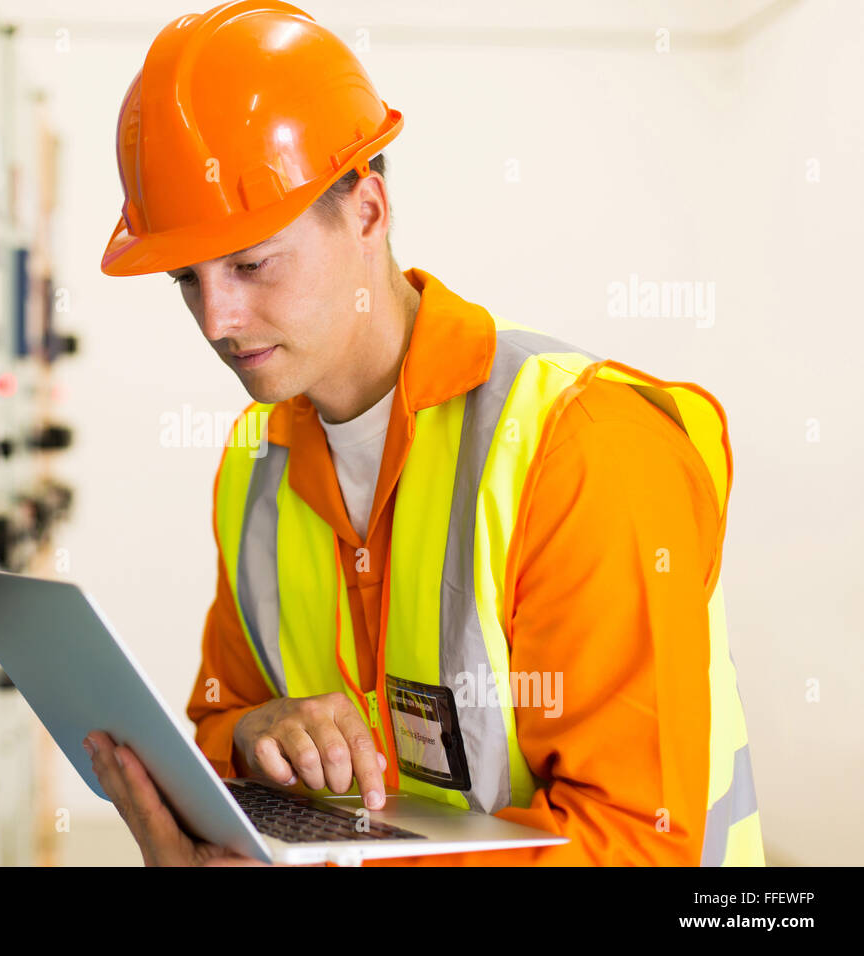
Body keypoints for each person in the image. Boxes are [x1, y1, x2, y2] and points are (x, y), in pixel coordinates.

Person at [87, 0, 763, 867]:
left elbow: (635, 847)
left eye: (252, 263)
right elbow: (222, 721)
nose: (218, 318)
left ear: (368, 211)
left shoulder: (582, 445)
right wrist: (259, 734)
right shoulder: (256, 460)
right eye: (188, 277)